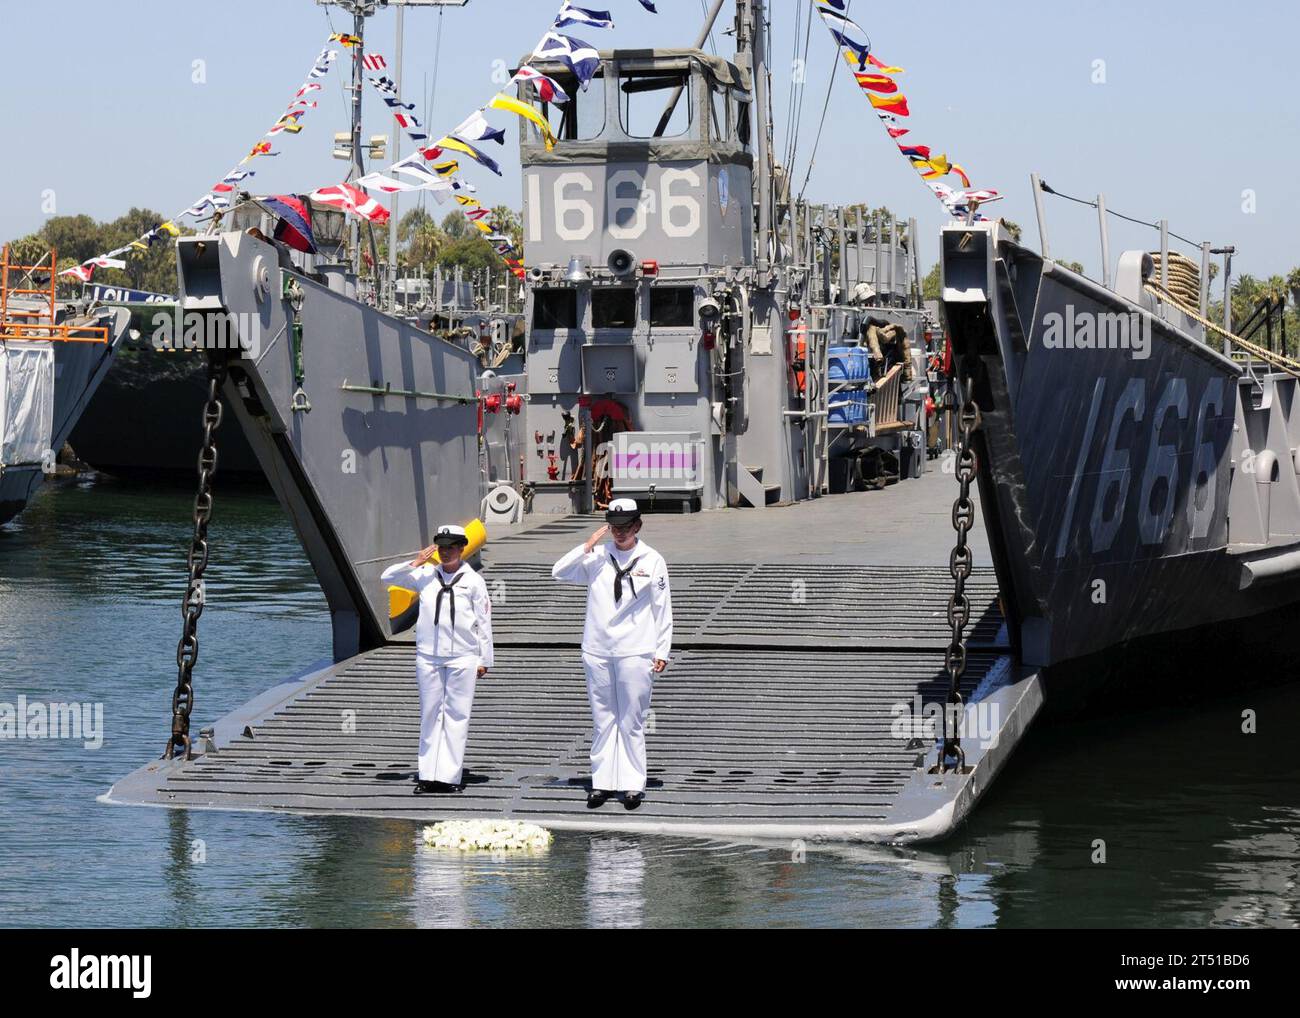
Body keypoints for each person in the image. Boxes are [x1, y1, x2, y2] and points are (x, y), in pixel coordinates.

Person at [552, 498, 673, 810]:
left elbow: (662, 608)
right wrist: (587, 545)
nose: (620, 533)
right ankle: (603, 783)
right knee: (603, 719)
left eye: (626, 527)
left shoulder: (652, 559)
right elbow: (559, 572)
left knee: (632, 720)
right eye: (614, 527)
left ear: (637, 526)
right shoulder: (597, 559)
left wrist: (662, 649)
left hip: (636, 650)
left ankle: (632, 785)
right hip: (598, 650)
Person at [380, 524, 493, 794]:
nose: (445, 552)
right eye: (441, 547)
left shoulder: (473, 581)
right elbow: (387, 577)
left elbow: (483, 621)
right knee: (430, 715)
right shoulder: (425, 576)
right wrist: (415, 561)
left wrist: (484, 659)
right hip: (429, 657)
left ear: (462, 548)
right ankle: (427, 775)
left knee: (456, 716)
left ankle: (449, 777)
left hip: (462, 657)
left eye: (451, 547)